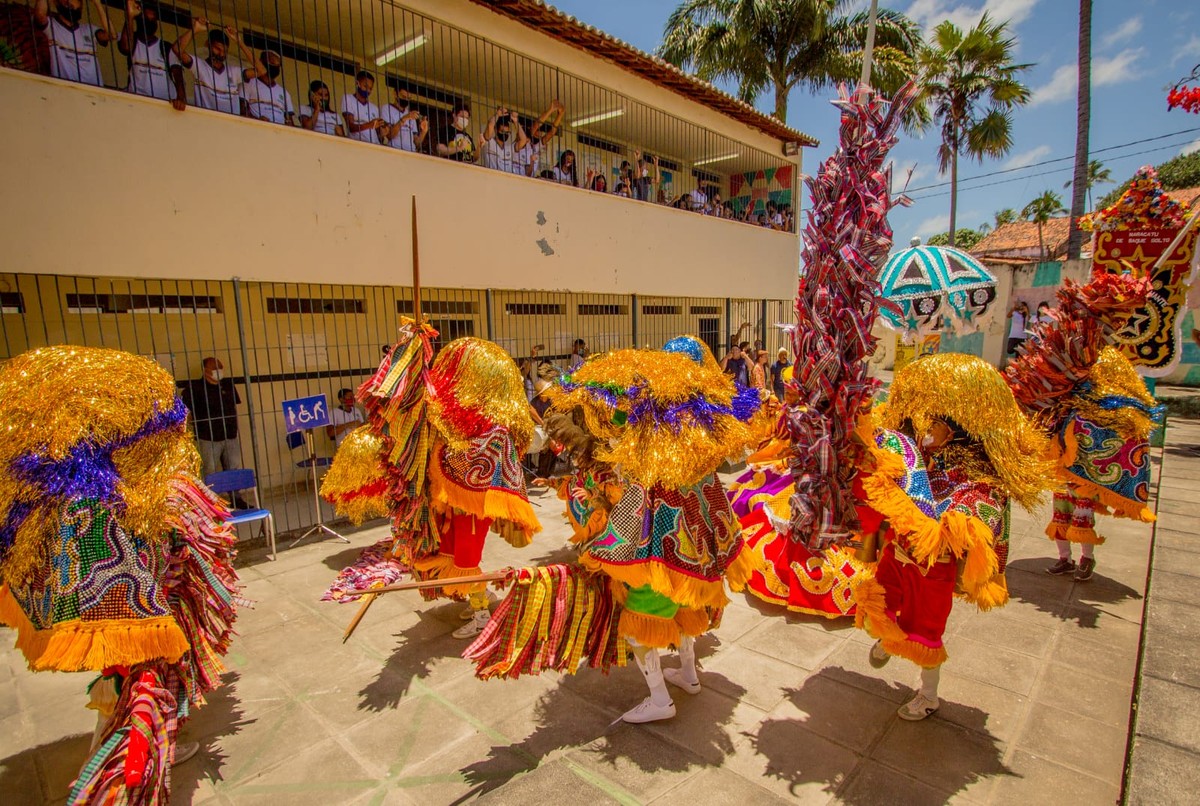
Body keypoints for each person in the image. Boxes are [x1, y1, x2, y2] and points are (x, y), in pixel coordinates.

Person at [486, 337, 758, 722]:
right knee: (682, 613)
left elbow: (632, 474)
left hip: (659, 553)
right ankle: (688, 675)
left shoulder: (653, 422)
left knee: (640, 625)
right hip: (696, 552)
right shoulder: (704, 422)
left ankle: (661, 700)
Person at [855, 353, 1053, 721]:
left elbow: (974, 517)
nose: (928, 429)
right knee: (877, 603)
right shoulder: (924, 454)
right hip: (899, 552)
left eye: (937, 424)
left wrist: (945, 523)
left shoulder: (979, 477)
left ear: (956, 430)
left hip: (934, 567)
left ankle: (928, 696)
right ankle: (886, 638)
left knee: (925, 629)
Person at [180, 357, 244, 490]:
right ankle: (214, 503)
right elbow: (186, 412)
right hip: (208, 437)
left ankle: (236, 497)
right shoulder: (195, 388)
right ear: (205, 371)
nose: (218, 371)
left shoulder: (227, 384)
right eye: (214, 369)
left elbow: (234, 406)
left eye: (220, 368)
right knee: (210, 471)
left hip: (230, 435)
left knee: (233, 468)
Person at [172, 19, 257, 115]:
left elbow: (261, 70)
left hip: (231, 126)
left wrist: (240, 42)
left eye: (225, 51)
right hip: (207, 122)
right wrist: (195, 29)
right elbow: (176, 49)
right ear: (208, 44)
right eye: (217, 49)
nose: (221, 54)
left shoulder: (234, 72)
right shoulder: (199, 65)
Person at [116, 0, 183, 108]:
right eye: (146, 19)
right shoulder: (132, 39)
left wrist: (181, 98)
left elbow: (178, 75)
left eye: (153, 19)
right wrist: (130, 16)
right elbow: (126, 47)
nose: (150, 22)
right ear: (138, 19)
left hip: (167, 103)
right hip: (137, 100)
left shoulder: (165, 46)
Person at [33, 0, 113, 87]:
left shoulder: (89, 30)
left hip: (95, 93)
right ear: (56, 2)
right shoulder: (52, 26)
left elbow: (112, 35)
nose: (70, 2)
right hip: (64, 90)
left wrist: (97, 4)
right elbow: (40, 15)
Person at [241, 49, 294, 125]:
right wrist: (257, 121)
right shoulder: (249, 83)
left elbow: (290, 121)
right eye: (272, 62)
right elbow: (242, 111)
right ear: (261, 62)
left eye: (278, 64)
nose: (275, 66)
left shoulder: (284, 93)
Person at [519, 99, 564, 177]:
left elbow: (552, 133)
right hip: (517, 176)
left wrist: (560, 114)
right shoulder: (522, 141)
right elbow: (536, 124)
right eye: (537, 132)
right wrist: (551, 110)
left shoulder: (537, 145)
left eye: (540, 134)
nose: (539, 135)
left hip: (530, 178)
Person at [480, 105, 528, 174]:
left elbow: (523, 140)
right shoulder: (489, 143)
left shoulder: (509, 148)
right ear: (496, 130)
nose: (505, 134)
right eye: (502, 131)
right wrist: (498, 114)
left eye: (507, 132)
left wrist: (515, 121)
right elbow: (490, 124)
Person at [341, 69, 385, 144]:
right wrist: (369, 125)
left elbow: (380, 137)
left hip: (374, 146)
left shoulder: (374, 108)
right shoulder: (348, 98)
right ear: (357, 83)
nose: (368, 90)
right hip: (357, 145)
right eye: (365, 86)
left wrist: (383, 133)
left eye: (370, 88)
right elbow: (350, 127)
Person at [381, 87, 429, 153]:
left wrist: (424, 131)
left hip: (410, 152)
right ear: (395, 94)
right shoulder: (386, 108)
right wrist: (404, 118)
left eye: (408, 98)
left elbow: (416, 143)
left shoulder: (410, 114)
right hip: (394, 151)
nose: (406, 100)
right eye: (403, 97)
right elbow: (389, 135)